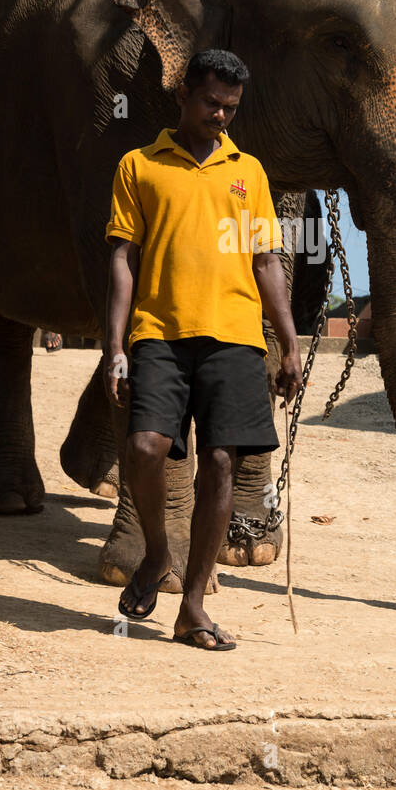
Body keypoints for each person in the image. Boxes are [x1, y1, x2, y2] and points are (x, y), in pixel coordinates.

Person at [104, 49, 303, 651]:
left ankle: (193, 606)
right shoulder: (140, 165)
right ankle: (158, 553)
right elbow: (121, 258)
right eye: (212, 103)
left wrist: (288, 344)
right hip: (158, 332)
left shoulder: (251, 172)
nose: (221, 116)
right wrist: (114, 345)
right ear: (183, 94)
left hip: (236, 338)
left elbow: (266, 261)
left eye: (231, 108)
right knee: (146, 446)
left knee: (221, 462)